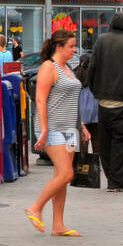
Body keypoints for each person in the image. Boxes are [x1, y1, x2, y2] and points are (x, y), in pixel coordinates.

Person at [26, 29, 91, 235]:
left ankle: (58, 225)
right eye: (71, 46)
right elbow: (40, 99)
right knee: (66, 174)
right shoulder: (49, 67)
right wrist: (43, 130)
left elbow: (72, 100)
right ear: (59, 47)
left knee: (60, 177)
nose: (74, 50)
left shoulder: (68, 68)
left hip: (70, 128)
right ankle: (35, 207)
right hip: (52, 127)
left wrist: (81, 125)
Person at [83, 12, 123, 192]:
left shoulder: (101, 40)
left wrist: (95, 91)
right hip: (122, 102)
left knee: (105, 143)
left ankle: (111, 179)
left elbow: (92, 67)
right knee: (120, 143)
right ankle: (116, 181)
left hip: (103, 102)